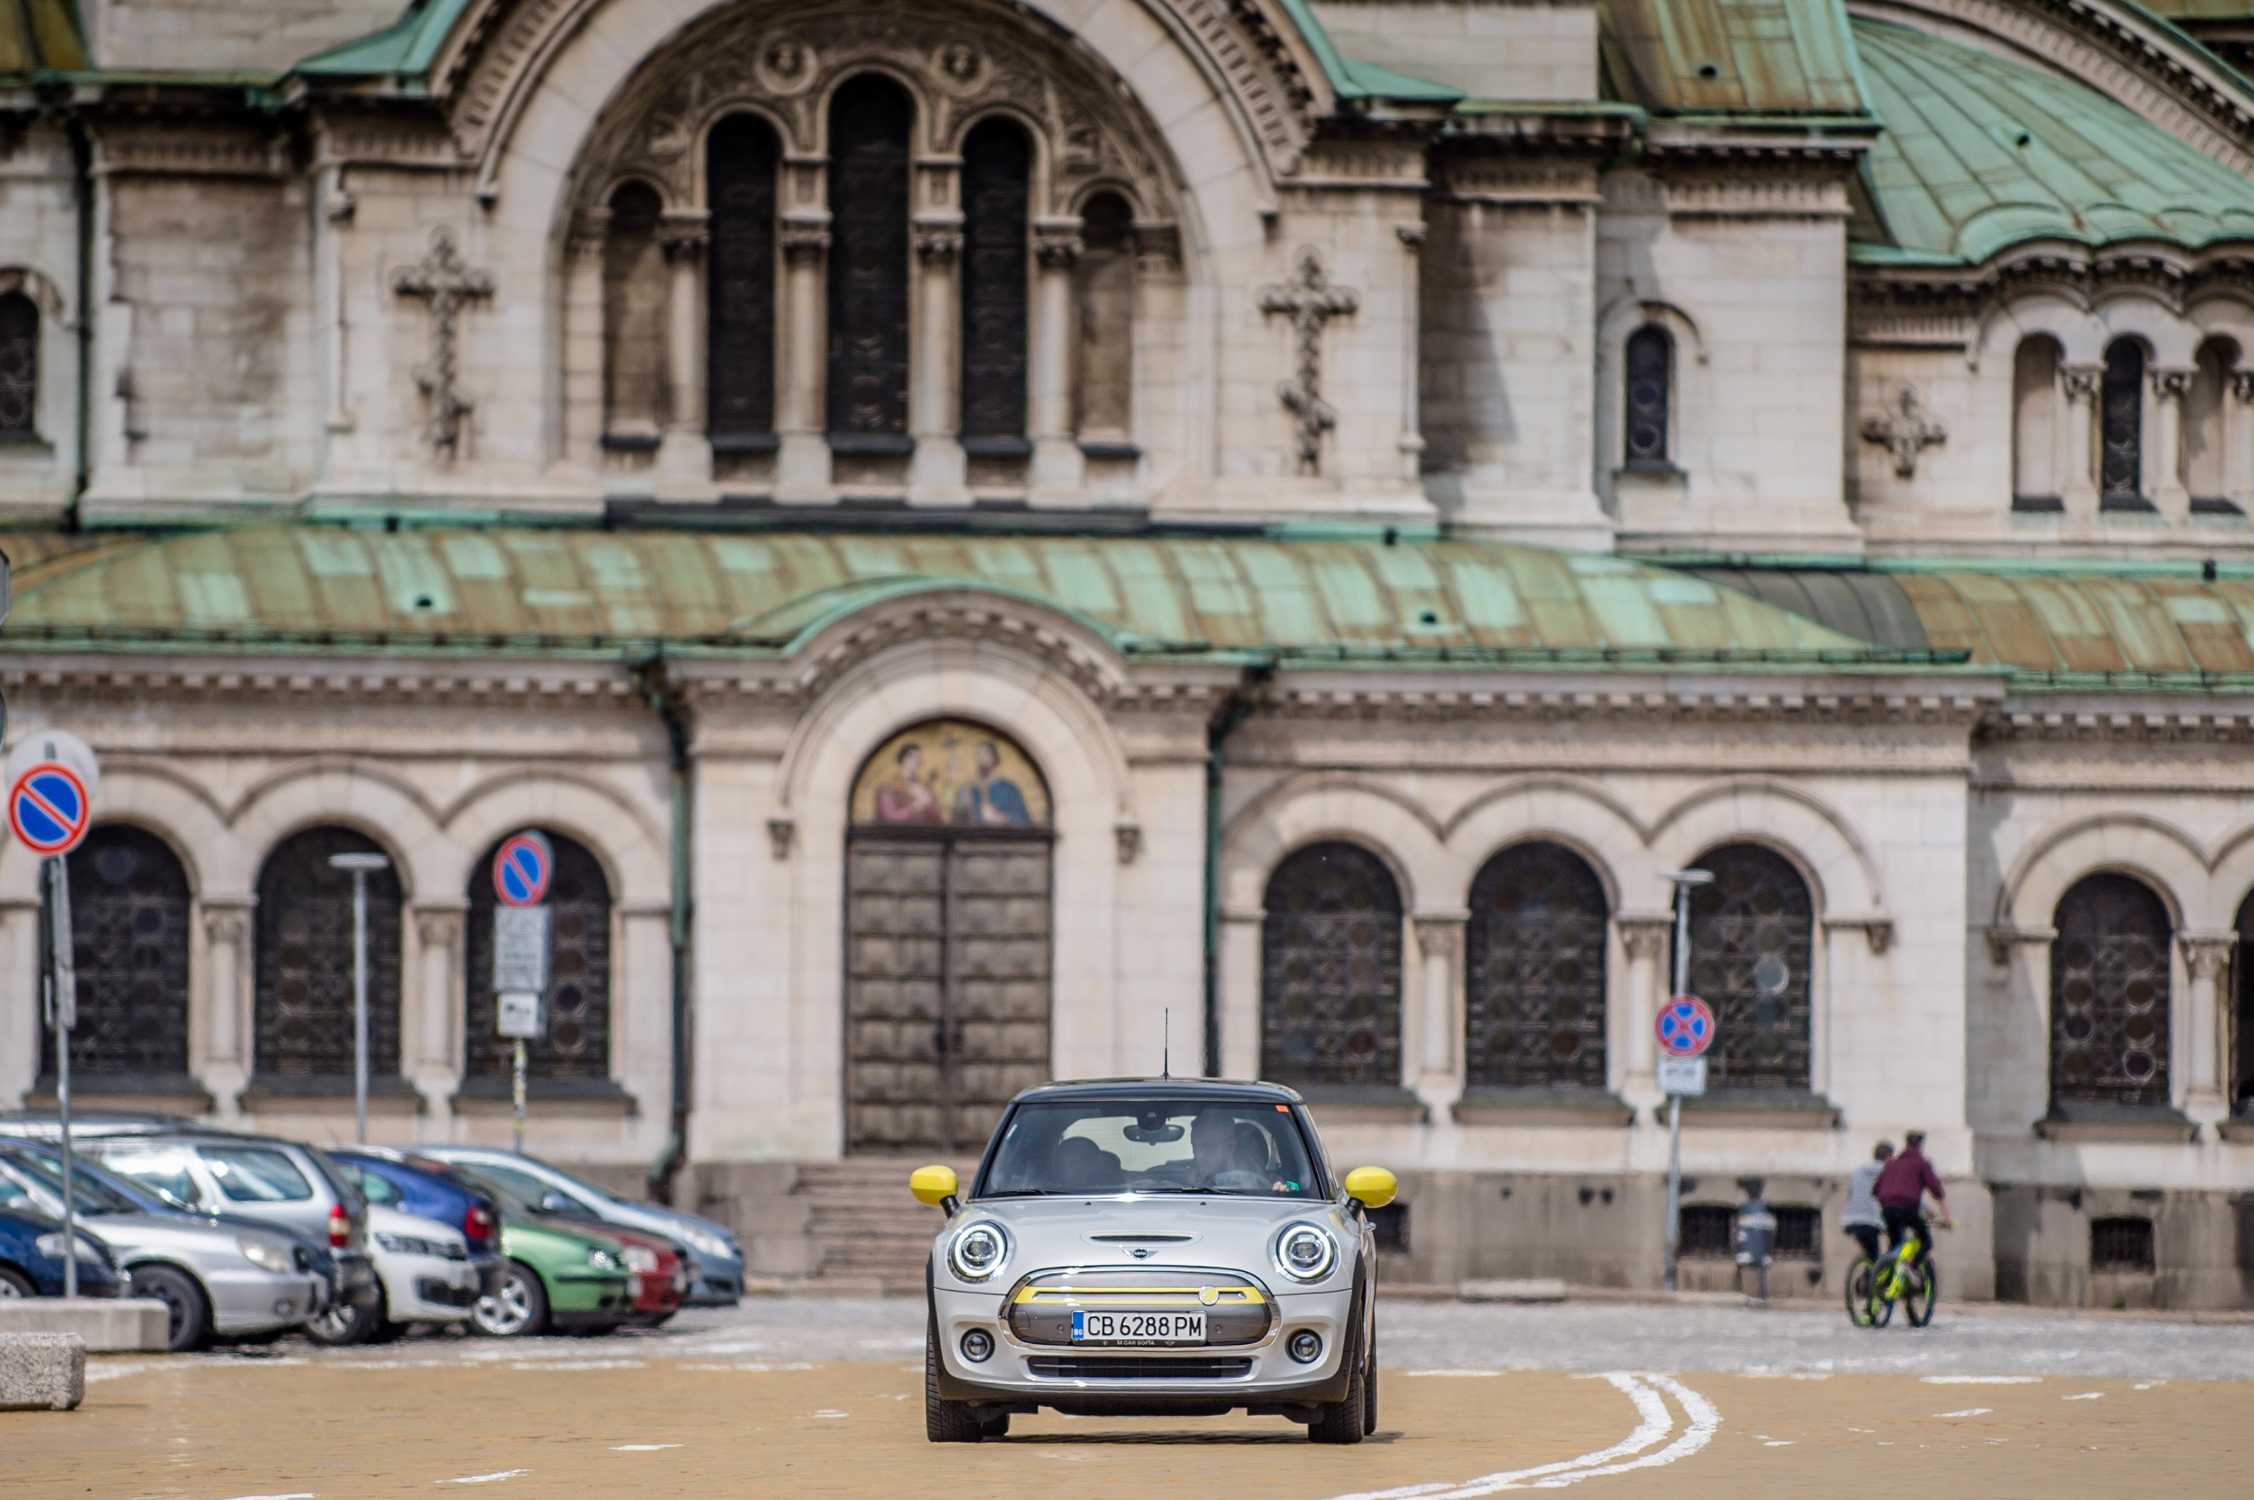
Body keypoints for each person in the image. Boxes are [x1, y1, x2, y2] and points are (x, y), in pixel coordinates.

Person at [1873, 1129, 1951, 1272]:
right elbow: (1936, 1190)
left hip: (1888, 1209)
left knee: (1895, 1243)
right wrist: (1946, 1217)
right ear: (1920, 1146)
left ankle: (1885, 1276)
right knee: (1926, 1242)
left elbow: (1876, 1190)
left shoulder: (1892, 1163)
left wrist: (1888, 1205)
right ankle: (1911, 1268)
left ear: (1906, 1144)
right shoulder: (1921, 1163)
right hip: (1908, 1209)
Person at [951, 741, 1032, 826]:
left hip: (1001, 838)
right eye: (978, 755)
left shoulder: (1009, 789)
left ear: (995, 759)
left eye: (985, 754)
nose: (981, 759)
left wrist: (1000, 818)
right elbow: (956, 825)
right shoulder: (967, 789)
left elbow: (1024, 821)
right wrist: (964, 810)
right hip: (975, 838)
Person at [1842, 1140, 1893, 1264]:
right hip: (1872, 1220)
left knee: (1872, 1255)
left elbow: (1850, 1194)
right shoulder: (1888, 1172)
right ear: (1888, 1157)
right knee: (1894, 1240)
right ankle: (1875, 1277)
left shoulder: (1858, 1171)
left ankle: (1869, 1276)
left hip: (1850, 1220)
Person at [872, 743, 942, 824]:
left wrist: (929, 804)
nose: (918, 762)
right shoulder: (887, 786)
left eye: (919, 758)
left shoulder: (923, 786)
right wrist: (916, 806)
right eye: (913, 757)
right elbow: (889, 818)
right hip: (897, 834)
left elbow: (938, 819)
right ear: (903, 759)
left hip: (924, 834)